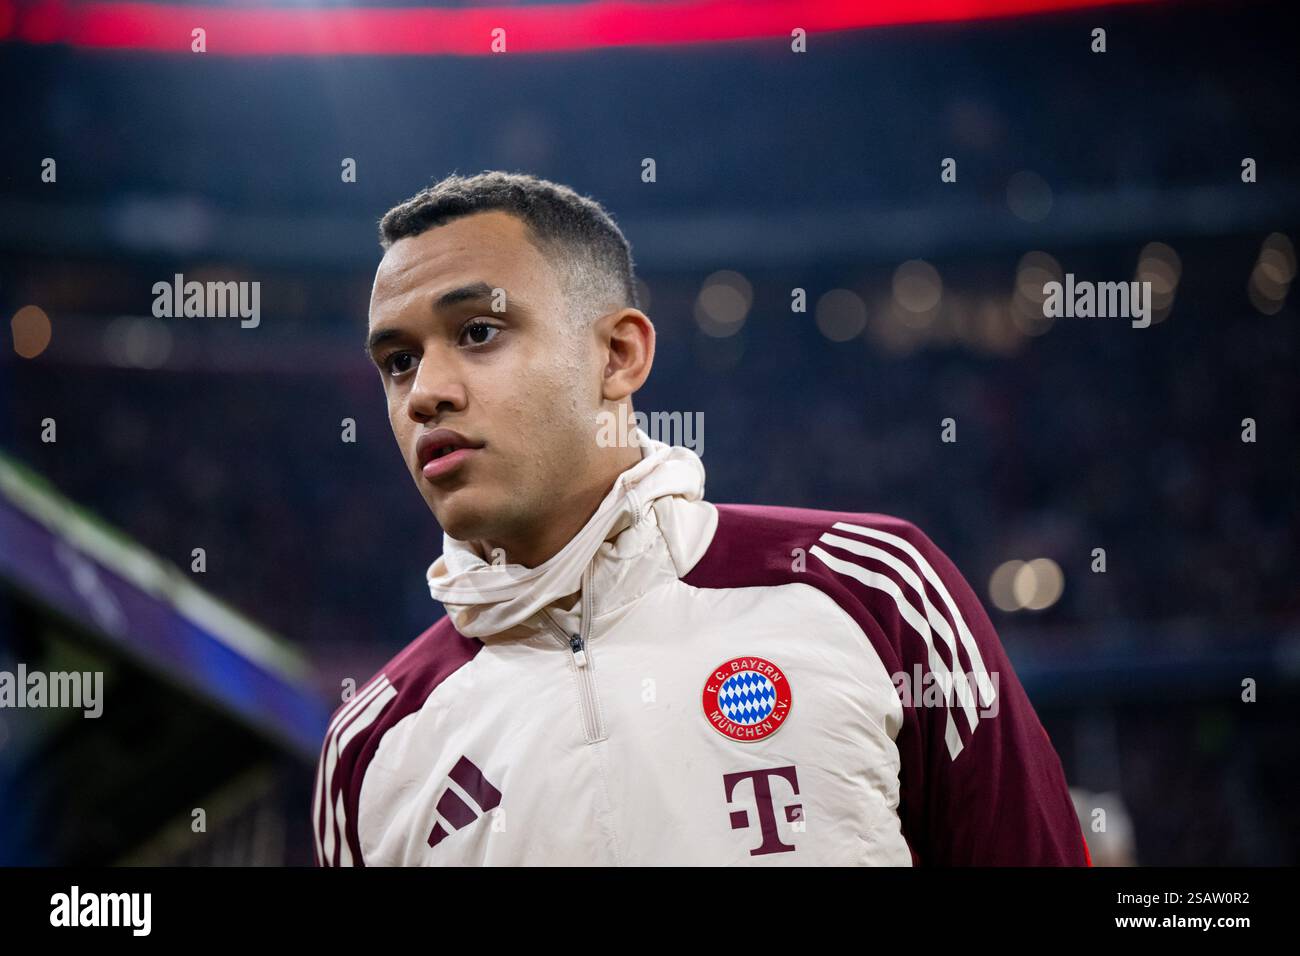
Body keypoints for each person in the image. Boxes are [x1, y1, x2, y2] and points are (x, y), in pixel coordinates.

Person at [313, 170, 1090, 866]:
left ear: (618, 355)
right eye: (398, 362)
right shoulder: (371, 756)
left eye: (478, 333)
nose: (424, 393)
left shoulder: (876, 593)